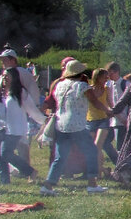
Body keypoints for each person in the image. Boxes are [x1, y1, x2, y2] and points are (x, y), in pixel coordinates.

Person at [39, 61, 108, 195]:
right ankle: (92, 184)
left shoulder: (59, 85)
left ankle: (48, 185)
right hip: (77, 125)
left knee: (60, 157)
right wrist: (108, 110)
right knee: (92, 151)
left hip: (61, 124)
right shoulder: (82, 86)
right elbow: (94, 101)